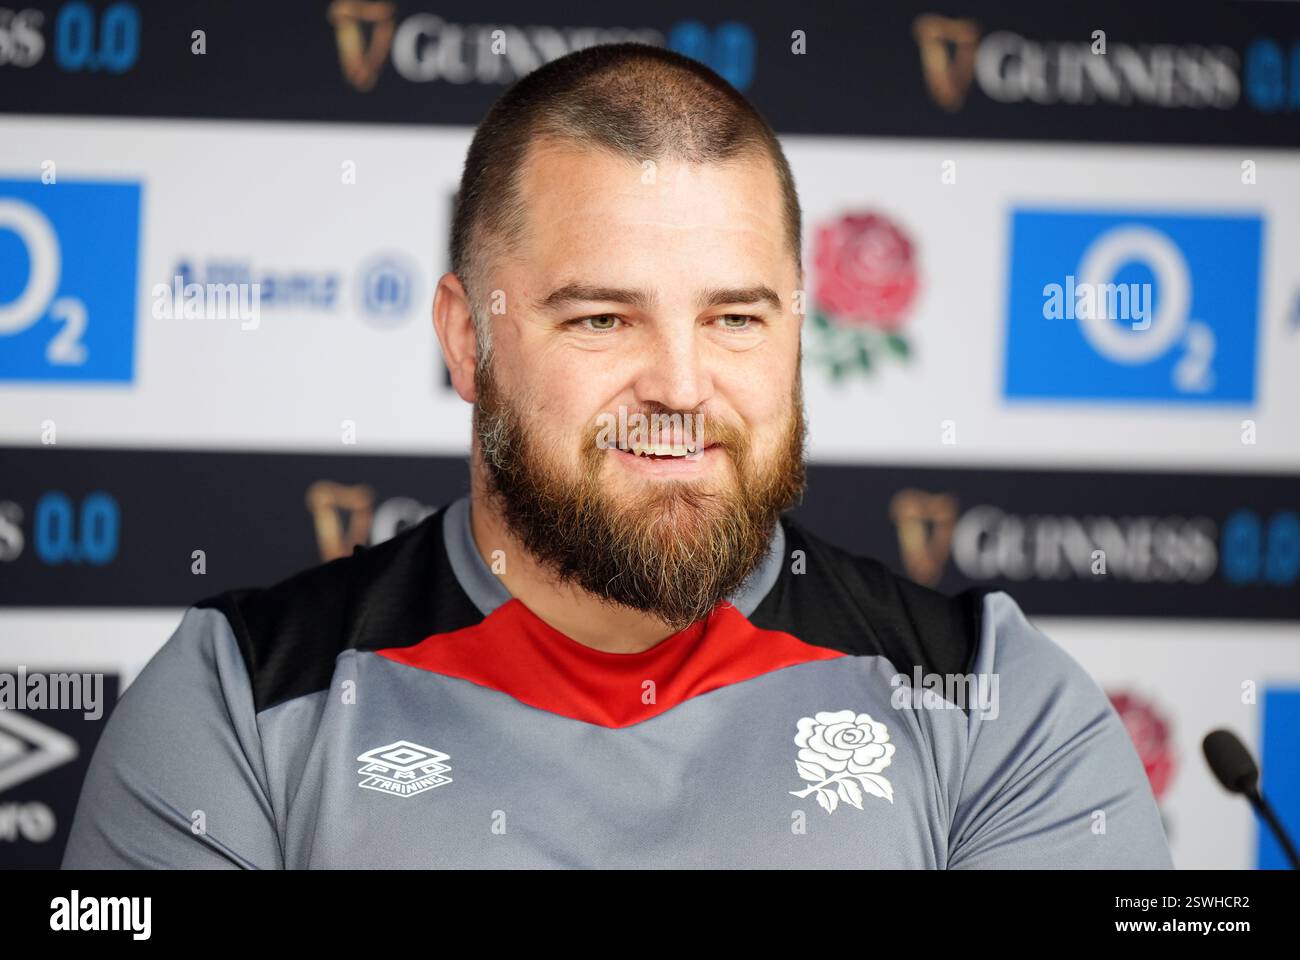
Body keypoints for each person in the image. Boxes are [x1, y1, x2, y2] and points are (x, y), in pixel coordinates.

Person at [63, 42, 1173, 869]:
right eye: (603, 318)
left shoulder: (993, 705)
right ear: (467, 338)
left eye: (735, 319)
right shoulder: (237, 702)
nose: (681, 388)